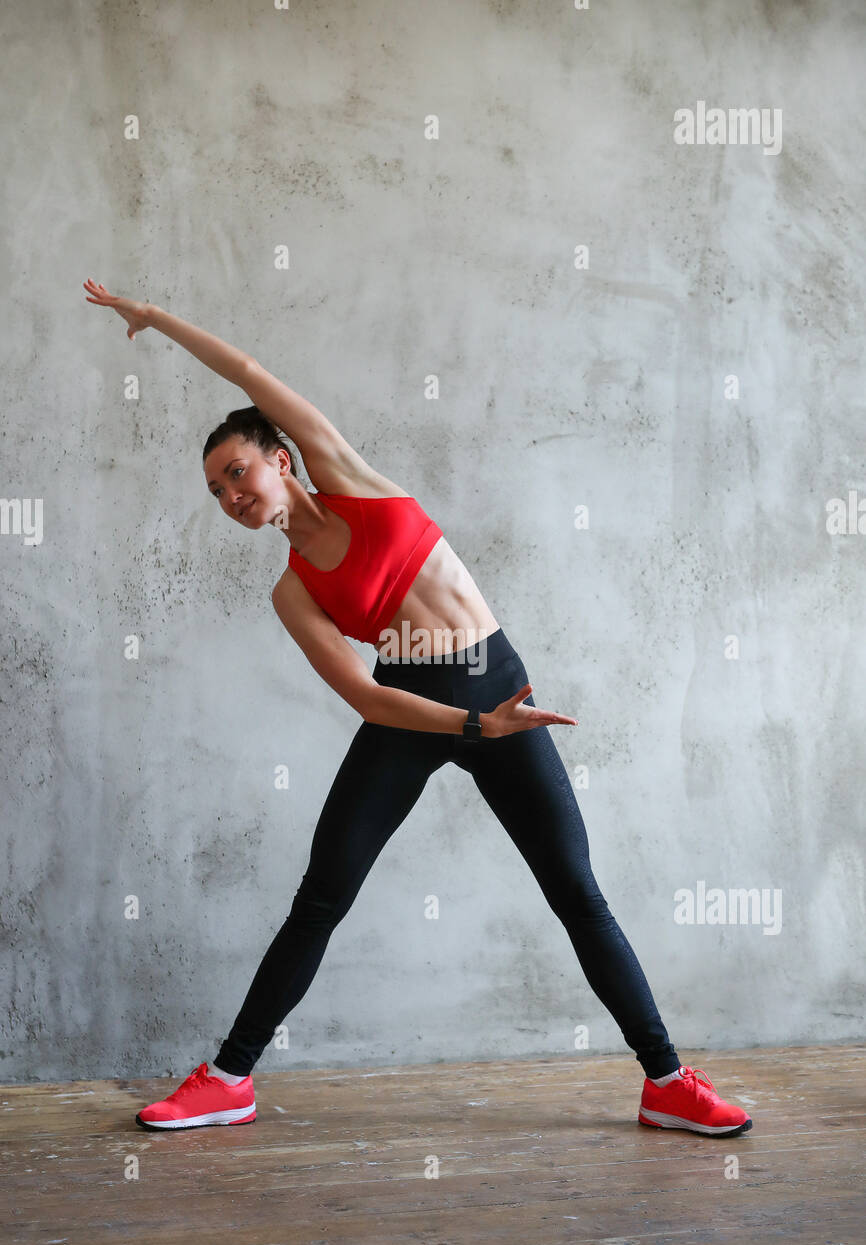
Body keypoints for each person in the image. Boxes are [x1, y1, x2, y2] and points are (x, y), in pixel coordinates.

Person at [83, 278, 753, 1140]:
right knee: (322, 895)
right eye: (216, 492)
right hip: (413, 707)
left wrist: (155, 318)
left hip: (494, 676)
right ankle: (228, 1078)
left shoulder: (346, 472)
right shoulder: (293, 595)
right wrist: (475, 731)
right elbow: (367, 693)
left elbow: (246, 368)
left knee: (577, 893)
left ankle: (667, 1081)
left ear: (279, 459)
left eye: (236, 472)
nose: (230, 496)